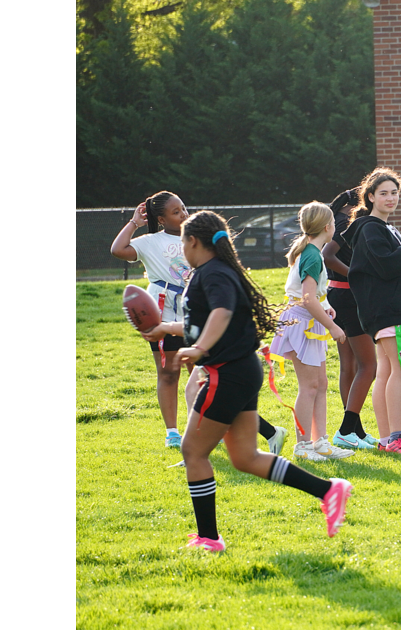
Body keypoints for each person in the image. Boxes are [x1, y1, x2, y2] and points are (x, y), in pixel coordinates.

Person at [141, 210, 352, 553]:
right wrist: (169, 329)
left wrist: (199, 349)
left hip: (227, 373)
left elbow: (221, 315)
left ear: (193, 241)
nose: (182, 248)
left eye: (183, 242)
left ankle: (208, 538)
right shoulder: (215, 272)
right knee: (245, 458)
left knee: (193, 450)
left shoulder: (214, 274)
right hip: (239, 371)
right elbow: (207, 321)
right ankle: (328, 491)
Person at [344, 168, 401, 453]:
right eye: (384, 193)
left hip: (392, 311)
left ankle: (384, 439)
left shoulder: (385, 229)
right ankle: (395, 437)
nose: (391, 198)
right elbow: (388, 265)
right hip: (388, 311)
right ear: (370, 197)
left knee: (389, 371)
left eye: (394, 193)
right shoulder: (370, 228)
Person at [267, 202, 352, 461]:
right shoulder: (313, 254)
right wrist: (333, 327)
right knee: (310, 386)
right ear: (328, 227)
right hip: (302, 325)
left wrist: (326, 308)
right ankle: (303, 445)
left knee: (320, 384)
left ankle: (320, 442)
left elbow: (315, 294)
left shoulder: (311, 251)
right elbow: (306, 298)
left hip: (310, 323)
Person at [110, 191, 191, 447]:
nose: (184, 214)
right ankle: (173, 433)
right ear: (161, 218)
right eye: (176, 212)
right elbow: (118, 250)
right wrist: (134, 223)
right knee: (168, 373)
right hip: (162, 312)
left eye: (184, 208)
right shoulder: (149, 241)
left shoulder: (197, 235)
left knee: (199, 371)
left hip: (193, 312)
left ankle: (202, 427)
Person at [321, 188, 381, 449]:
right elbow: (328, 256)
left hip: (337, 294)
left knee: (350, 367)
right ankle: (348, 430)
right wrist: (357, 276)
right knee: (369, 366)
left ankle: (355, 431)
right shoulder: (350, 223)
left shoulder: (340, 219)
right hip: (349, 297)